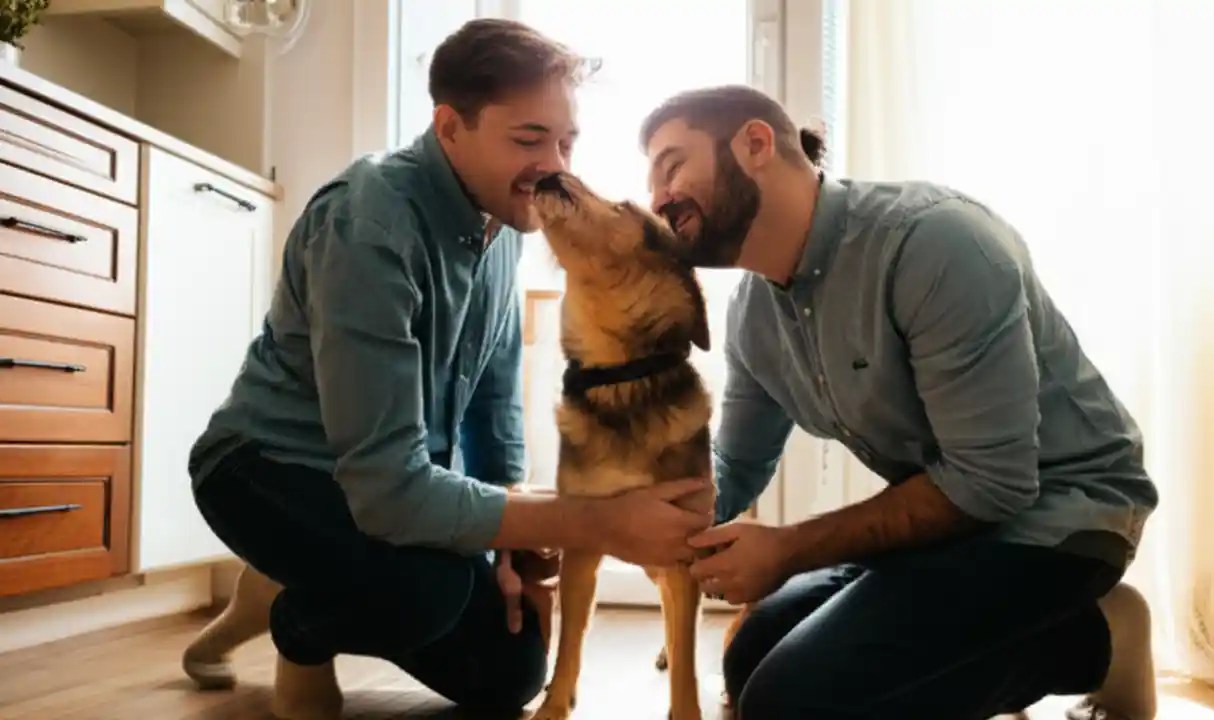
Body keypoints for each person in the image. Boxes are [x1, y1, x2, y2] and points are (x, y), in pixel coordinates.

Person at [179, 18, 712, 720]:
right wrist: (595, 523)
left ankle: (284, 581)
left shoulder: (503, 225)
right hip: (270, 469)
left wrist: (514, 553)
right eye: (528, 139)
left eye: (565, 141)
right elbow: (389, 491)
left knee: (511, 671)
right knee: (420, 594)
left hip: (382, 489)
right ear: (449, 126)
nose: (554, 164)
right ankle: (297, 630)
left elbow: (494, 408)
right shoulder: (370, 226)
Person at [641, 85, 1161, 720]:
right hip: (953, 522)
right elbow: (737, 465)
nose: (657, 198)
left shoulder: (933, 243)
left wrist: (787, 548)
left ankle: (1102, 639)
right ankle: (1070, 633)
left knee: (793, 701)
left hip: (1063, 519)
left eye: (672, 165)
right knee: (750, 657)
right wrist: (655, 519)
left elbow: (992, 485)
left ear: (755, 144)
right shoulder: (754, 313)